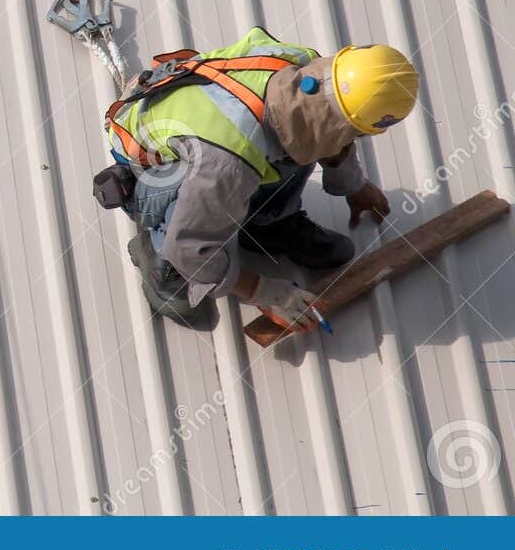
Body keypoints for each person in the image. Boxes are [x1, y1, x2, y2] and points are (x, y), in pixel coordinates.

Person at [94, 27, 419, 331]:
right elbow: (190, 246)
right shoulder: (228, 158)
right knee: (203, 202)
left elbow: (328, 130)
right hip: (148, 168)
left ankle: (267, 221)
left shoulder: (308, 69)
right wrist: (264, 292)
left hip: (204, 133)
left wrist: (354, 186)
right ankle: (161, 262)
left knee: (295, 142)